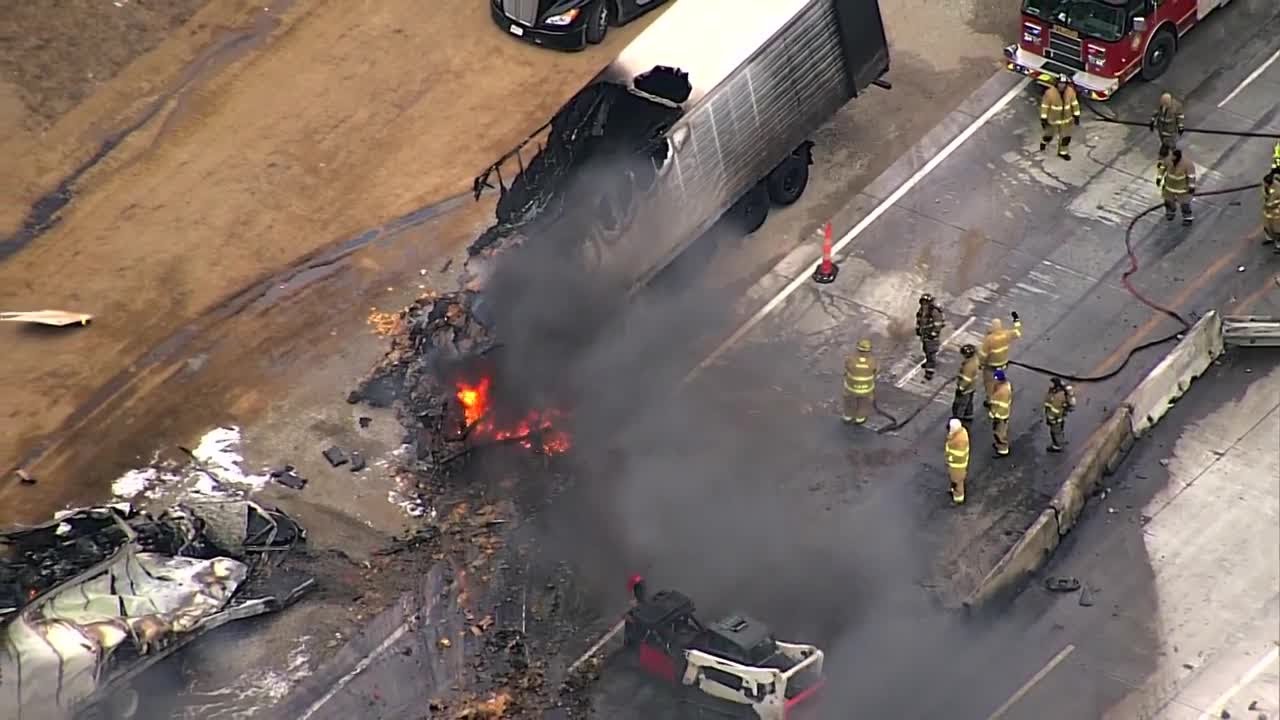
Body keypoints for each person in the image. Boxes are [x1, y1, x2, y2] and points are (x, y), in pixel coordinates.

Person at [978, 312, 1022, 402]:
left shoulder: (989, 339)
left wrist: (981, 364)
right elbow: (1018, 332)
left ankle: (990, 400)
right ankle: (1002, 392)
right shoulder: (1006, 334)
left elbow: (983, 355)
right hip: (1003, 364)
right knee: (999, 379)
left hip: (991, 367)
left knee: (989, 383)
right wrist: (1016, 320)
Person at [1040, 75, 1081, 160]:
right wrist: (1043, 119)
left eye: (1063, 83)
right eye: (1060, 83)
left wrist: (1076, 115)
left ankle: (1063, 152)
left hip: (1066, 120)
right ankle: (1044, 142)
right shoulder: (1050, 93)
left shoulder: (1070, 92)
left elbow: (1075, 104)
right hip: (1053, 120)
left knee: (1066, 138)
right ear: (1056, 83)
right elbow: (1045, 106)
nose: (1061, 85)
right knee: (1049, 135)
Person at [843, 339, 878, 425]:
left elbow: (846, 368)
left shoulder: (850, 359)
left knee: (849, 402)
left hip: (851, 389)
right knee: (863, 404)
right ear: (869, 350)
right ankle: (860, 418)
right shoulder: (873, 361)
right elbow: (876, 372)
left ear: (857, 349)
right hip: (866, 390)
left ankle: (847, 417)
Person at [1158, 148, 1197, 225]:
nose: (1171, 157)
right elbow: (1162, 168)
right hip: (1169, 187)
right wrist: (1159, 177)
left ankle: (1187, 218)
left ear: (1177, 157)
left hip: (1182, 189)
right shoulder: (1168, 160)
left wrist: (1191, 186)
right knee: (1168, 201)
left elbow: (1191, 176)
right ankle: (1170, 212)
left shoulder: (1187, 164)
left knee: (1185, 204)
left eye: (1173, 156)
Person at [915, 293, 946, 380]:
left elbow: (938, 324)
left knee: (931, 351)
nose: (924, 304)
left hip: (931, 335)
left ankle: (929, 371)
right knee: (926, 349)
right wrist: (918, 329)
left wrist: (933, 333)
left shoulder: (934, 311)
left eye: (925, 302)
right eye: (923, 302)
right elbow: (919, 320)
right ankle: (928, 362)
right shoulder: (922, 310)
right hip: (925, 334)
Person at [1043, 377, 1077, 453]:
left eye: (1052, 384)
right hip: (1060, 417)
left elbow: (1053, 410)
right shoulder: (1060, 393)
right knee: (1060, 430)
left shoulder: (1056, 397)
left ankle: (1057, 446)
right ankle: (1061, 441)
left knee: (1055, 432)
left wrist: (1051, 420)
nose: (1050, 386)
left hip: (1055, 418)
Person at [1150, 92, 1185, 161]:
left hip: (1170, 129)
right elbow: (1156, 112)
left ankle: (1164, 155)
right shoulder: (1161, 104)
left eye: (1165, 103)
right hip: (1161, 128)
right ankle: (1171, 154)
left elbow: (1180, 116)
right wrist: (1152, 120)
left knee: (1167, 143)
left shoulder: (1177, 106)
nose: (1164, 104)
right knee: (1165, 142)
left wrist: (1180, 126)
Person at [953, 344, 980, 423]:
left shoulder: (968, 366)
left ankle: (957, 420)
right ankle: (968, 415)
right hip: (972, 387)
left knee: (960, 405)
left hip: (966, 388)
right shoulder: (974, 360)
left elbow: (966, 380)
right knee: (968, 402)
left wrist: (960, 388)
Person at [945, 418, 970, 505]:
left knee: (957, 480)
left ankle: (958, 498)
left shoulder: (959, 440)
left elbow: (958, 455)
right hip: (955, 464)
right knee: (954, 479)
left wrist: (950, 458)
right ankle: (954, 490)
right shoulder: (960, 432)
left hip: (957, 465)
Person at [989, 369, 1013, 458]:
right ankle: (999, 445)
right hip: (1002, 414)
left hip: (1000, 415)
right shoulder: (1004, 386)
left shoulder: (1002, 391)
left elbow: (996, 404)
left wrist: (992, 413)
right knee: (998, 430)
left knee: (1000, 432)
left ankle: (1003, 449)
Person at [1264, 171, 1280, 254]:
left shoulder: (1277, 191)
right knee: (1267, 226)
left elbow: (1274, 202)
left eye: (1265, 183)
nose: (1264, 184)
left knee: (1277, 229)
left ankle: (1278, 244)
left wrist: (1269, 205)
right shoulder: (1267, 187)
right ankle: (1270, 238)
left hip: (1276, 213)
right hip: (1269, 212)